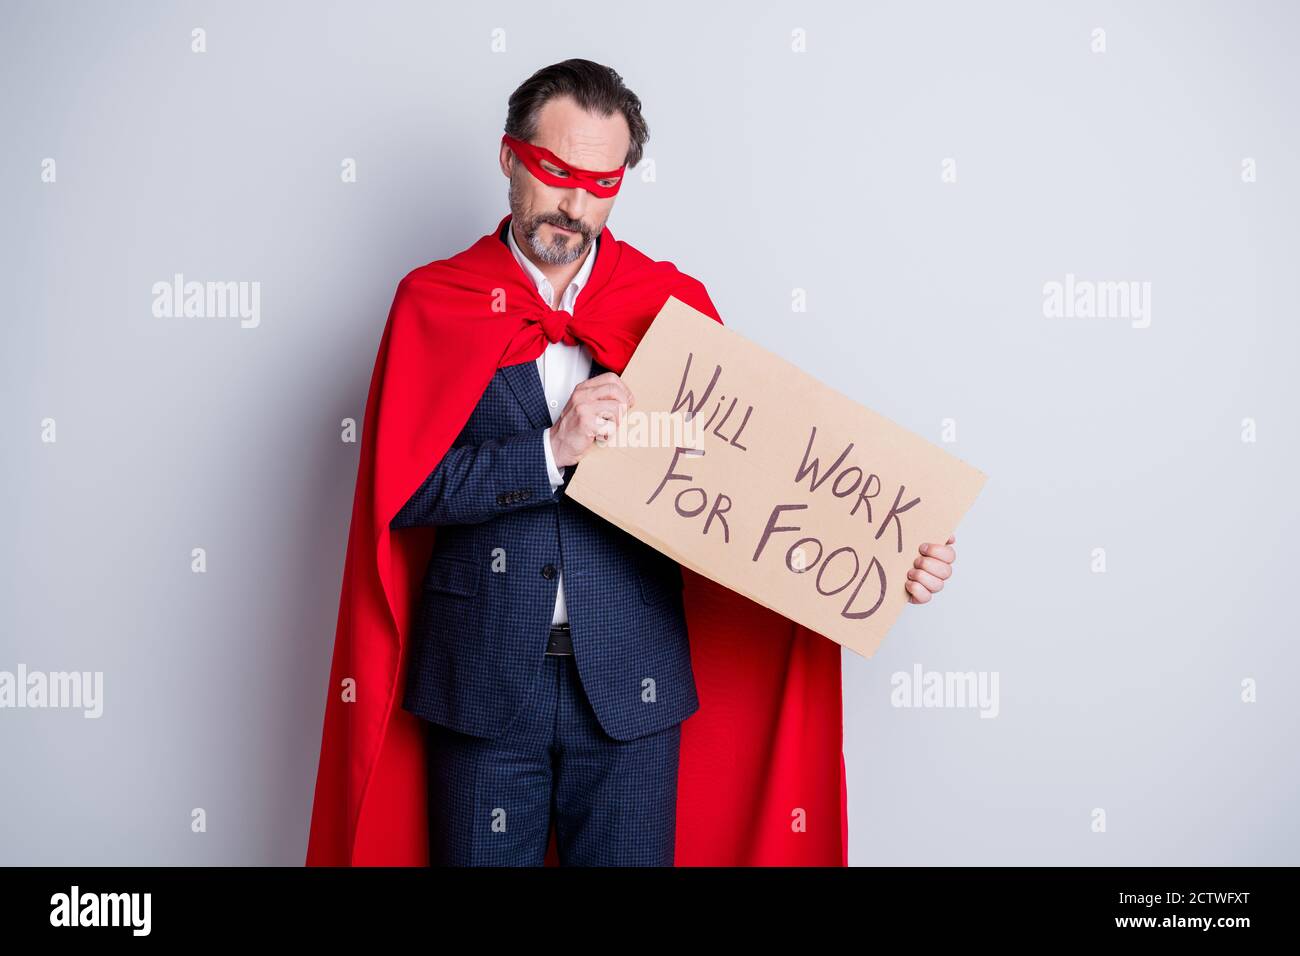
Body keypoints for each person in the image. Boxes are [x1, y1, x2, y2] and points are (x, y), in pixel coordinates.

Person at [306, 58, 957, 868]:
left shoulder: (669, 307)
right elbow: (401, 495)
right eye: (555, 173)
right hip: (480, 689)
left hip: (631, 690)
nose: (576, 206)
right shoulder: (434, 300)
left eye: (602, 184)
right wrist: (549, 452)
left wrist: (893, 551)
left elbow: (759, 483)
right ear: (509, 156)